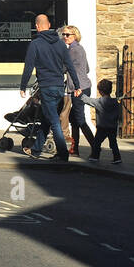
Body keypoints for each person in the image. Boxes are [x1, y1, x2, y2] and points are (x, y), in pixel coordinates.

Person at [19, 14, 82, 161]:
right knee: (46, 119)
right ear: (48, 25)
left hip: (46, 87)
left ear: (37, 27)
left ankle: (63, 153)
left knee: (53, 120)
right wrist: (77, 85)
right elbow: (70, 66)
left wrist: (23, 86)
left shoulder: (35, 44)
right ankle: (35, 150)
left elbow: (28, 67)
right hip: (60, 86)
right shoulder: (60, 43)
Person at [61, 25, 94, 156]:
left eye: (67, 35)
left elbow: (63, 69)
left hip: (78, 89)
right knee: (74, 120)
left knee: (79, 120)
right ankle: (75, 149)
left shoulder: (72, 51)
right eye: (63, 34)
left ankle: (95, 147)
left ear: (75, 36)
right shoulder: (80, 48)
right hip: (84, 86)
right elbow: (87, 69)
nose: (64, 37)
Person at [79, 78, 123, 163]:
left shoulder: (99, 102)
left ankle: (95, 156)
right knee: (113, 143)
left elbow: (88, 100)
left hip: (102, 127)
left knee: (97, 142)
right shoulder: (115, 102)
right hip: (113, 127)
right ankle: (117, 158)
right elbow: (118, 114)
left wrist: (81, 95)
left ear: (100, 91)